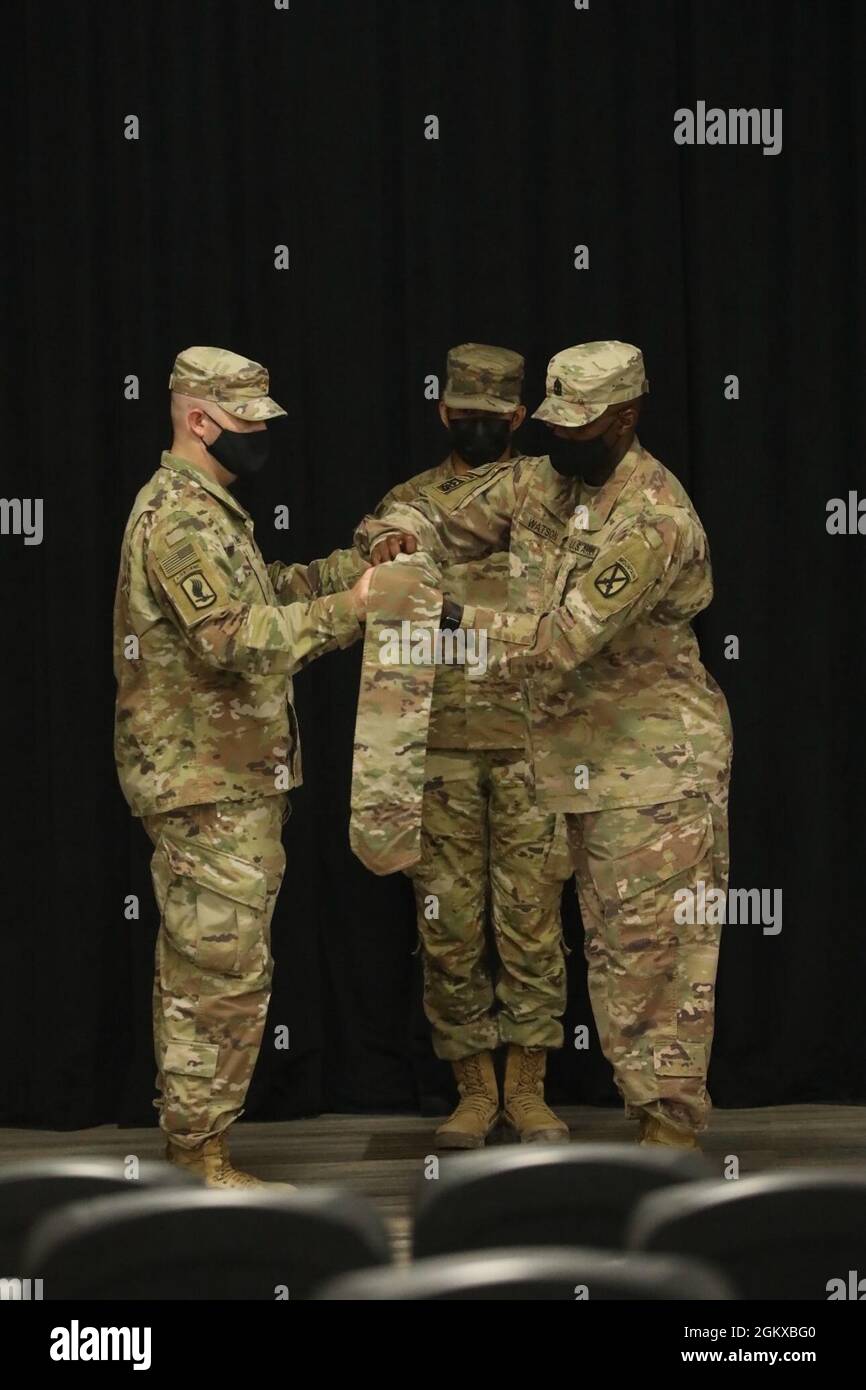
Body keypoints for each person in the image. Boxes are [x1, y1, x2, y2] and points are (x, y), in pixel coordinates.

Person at [355, 342, 733, 1150]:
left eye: (578, 424)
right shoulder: (548, 483)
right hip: (582, 772)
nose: (558, 438)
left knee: (660, 966)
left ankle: (669, 1144)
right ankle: (648, 1142)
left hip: (655, 777)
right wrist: (394, 533)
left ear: (626, 417)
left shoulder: (654, 520)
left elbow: (564, 640)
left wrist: (451, 616)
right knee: (614, 960)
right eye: (553, 420)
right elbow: (444, 510)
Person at [113, 345, 369, 1187]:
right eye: (246, 423)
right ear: (199, 419)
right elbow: (234, 640)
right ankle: (197, 1158)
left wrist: (352, 573)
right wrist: (355, 610)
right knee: (211, 971)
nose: (260, 438)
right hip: (204, 783)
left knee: (226, 965)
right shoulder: (178, 518)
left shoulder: (210, 508)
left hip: (233, 779)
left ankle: (201, 1148)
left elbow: (262, 597)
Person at [367, 343, 572, 1148]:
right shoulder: (408, 503)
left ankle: (528, 1087)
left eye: (495, 419)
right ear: (443, 412)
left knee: (531, 921)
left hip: (532, 742)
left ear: (518, 420)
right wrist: (387, 539)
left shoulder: (548, 492)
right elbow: (384, 541)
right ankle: (473, 1089)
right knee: (448, 923)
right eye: (466, 416)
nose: (478, 428)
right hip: (439, 745)